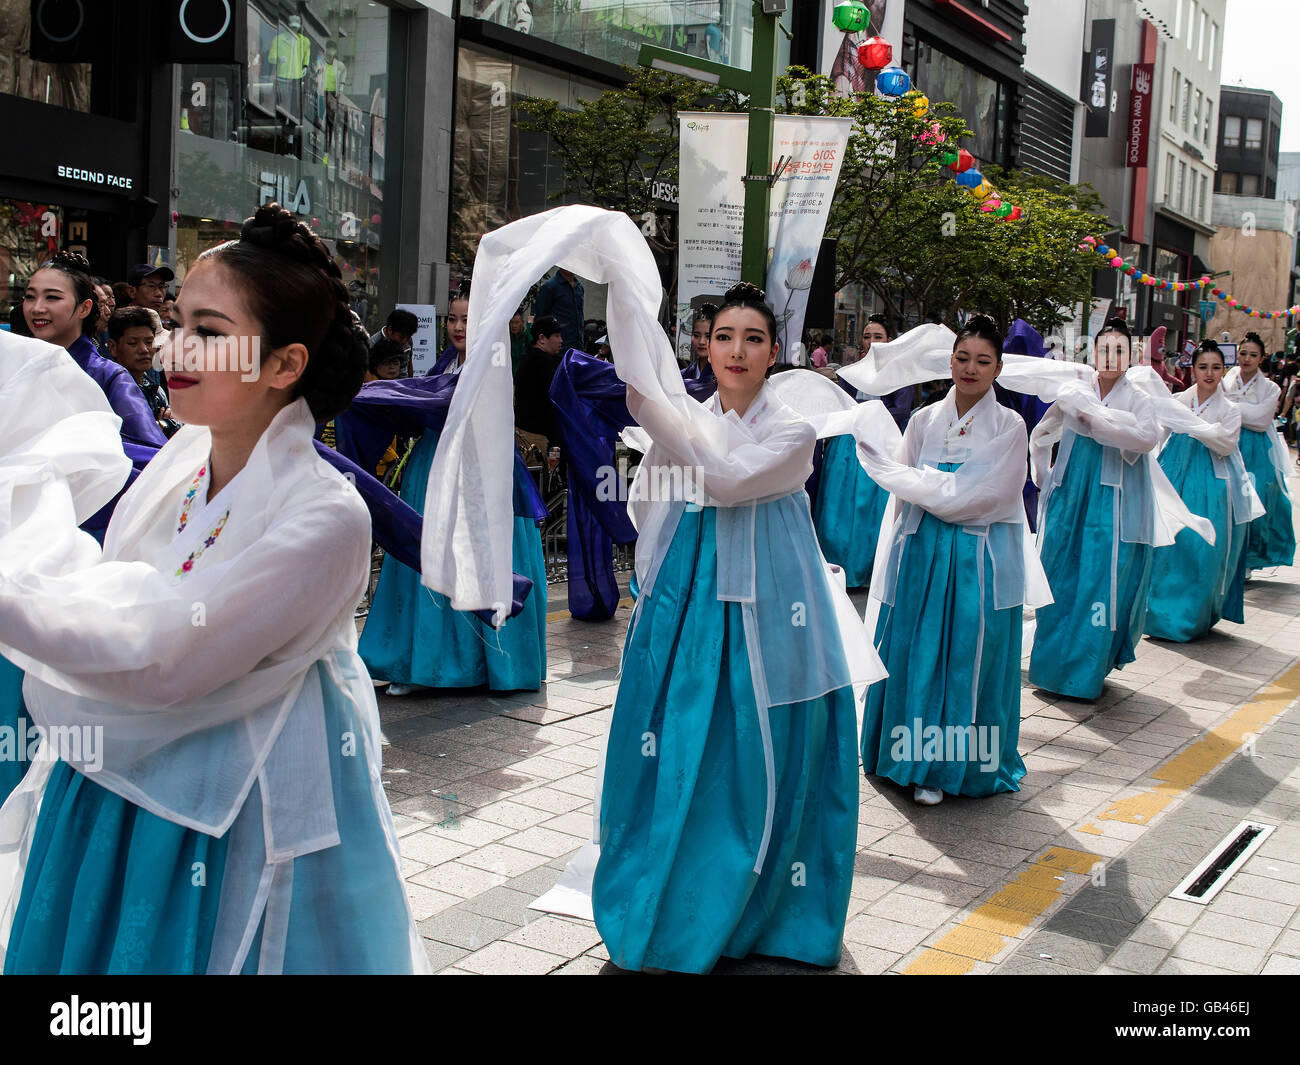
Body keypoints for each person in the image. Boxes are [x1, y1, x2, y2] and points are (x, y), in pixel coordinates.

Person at [0, 203, 425, 974]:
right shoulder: (184, 460)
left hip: (250, 785)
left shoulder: (326, 515)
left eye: (210, 331)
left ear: (285, 365)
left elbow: (170, 655)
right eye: (179, 322)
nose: (173, 346)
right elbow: (122, 591)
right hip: (123, 765)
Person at [594, 281, 883, 973]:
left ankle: (764, 898)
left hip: (775, 599)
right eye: (724, 336)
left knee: (767, 737)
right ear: (706, 344)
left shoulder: (792, 429)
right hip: (690, 592)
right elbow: (650, 498)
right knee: (684, 730)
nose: (737, 350)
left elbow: (725, 482)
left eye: (753, 338)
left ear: (774, 352)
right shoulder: (688, 416)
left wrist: (658, 415)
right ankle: (680, 884)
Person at [855, 316, 1049, 805]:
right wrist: (903, 531)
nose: (971, 368)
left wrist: (919, 485)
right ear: (950, 362)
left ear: (998, 368)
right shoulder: (923, 421)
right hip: (921, 551)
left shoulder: (1010, 425)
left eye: (983, 361)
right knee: (919, 652)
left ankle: (953, 766)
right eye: (962, 358)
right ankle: (906, 758)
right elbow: (902, 498)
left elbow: (985, 497)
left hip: (978, 559)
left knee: (967, 656)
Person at [358, 288, 547, 695]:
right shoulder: (446, 362)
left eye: (467, 319)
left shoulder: (493, 362)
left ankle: (472, 665)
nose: (459, 327)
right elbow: (431, 401)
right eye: (453, 319)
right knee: (424, 557)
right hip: (433, 466)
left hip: (479, 473)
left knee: (464, 555)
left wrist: (392, 396)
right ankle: (417, 664)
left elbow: (449, 403)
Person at [1025, 320, 1167, 700]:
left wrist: (1097, 422)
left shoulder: (1140, 399)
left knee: (1098, 583)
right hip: (1070, 497)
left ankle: (1085, 673)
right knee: (1059, 579)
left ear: (1132, 356)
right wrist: (1044, 477)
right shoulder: (1074, 391)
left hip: (1112, 505)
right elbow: (1041, 433)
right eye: (1104, 349)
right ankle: (1051, 667)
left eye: (1119, 350)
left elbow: (1146, 438)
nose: (1110, 357)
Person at [1145, 341, 1261, 642]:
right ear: (1192, 369)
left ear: (1224, 371)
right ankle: (1157, 614)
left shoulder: (1230, 409)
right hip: (1173, 473)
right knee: (1169, 544)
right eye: (1203, 367)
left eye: (1216, 367)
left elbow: (1226, 444)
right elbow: (1160, 432)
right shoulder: (1179, 400)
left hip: (1210, 481)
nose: (1209, 373)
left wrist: (1193, 427)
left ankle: (1191, 617)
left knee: (1200, 549)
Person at [23, 251, 166, 450]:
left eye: (52, 298)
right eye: (30, 297)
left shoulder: (109, 377)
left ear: (84, 308)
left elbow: (151, 454)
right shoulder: (16, 366)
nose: (37, 308)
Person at [1223, 331, 1295, 571]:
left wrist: (1233, 408)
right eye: (1243, 353)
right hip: (1229, 442)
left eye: (1253, 355)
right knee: (1228, 499)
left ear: (1262, 358)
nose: (1246, 359)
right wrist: (1243, 411)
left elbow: (1262, 421)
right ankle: (1230, 555)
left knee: (1258, 499)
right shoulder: (1227, 380)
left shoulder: (1270, 388)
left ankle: (1250, 559)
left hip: (1257, 448)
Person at [105, 306, 179, 437]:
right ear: (113, 347)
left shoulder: (156, 391)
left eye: (149, 342)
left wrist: (165, 425)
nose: (144, 349)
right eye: (133, 343)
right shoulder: (108, 390)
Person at [514, 313, 566, 449]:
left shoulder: (534, 358)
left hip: (529, 434)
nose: (561, 340)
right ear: (542, 338)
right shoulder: (540, 362)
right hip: (535, 438)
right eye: (556, 336)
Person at [534, 267, 584, 351]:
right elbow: (540, 319)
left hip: (577, 347)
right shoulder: (550, 287)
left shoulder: (579, 287)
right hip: (558, 348)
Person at [370, 308, 418, 374]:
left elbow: (409, 364)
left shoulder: (408, 339)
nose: (404, 341)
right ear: (390, 330)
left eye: (409, 337)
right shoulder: (373, 344)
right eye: (401, 337)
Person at [682, 304, 716, 380]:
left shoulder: (723, 376)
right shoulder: (682, 375)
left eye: (708, 336)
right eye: (696, 335)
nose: (701, 342)